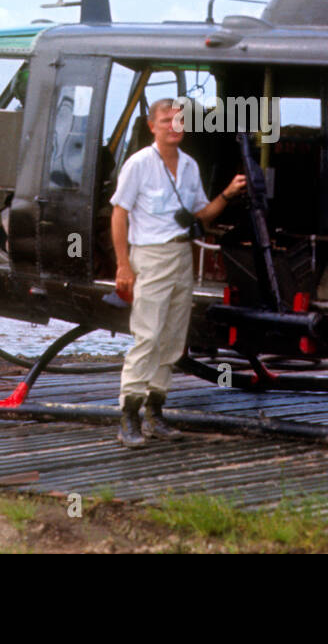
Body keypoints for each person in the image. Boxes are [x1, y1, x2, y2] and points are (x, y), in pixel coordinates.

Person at [110, 98, 247, 447]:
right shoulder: (138, 164)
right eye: (166, 119)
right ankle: (128, 416)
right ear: (151, 124)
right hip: (150, 257)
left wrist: (229, 194)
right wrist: (123, 265)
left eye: (179, 120)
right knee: (147, 336)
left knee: (171, 339)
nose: (174, 125)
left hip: (181, 254)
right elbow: (119, 214)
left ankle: (155, 413)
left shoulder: (188, 165)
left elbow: (202, 214)